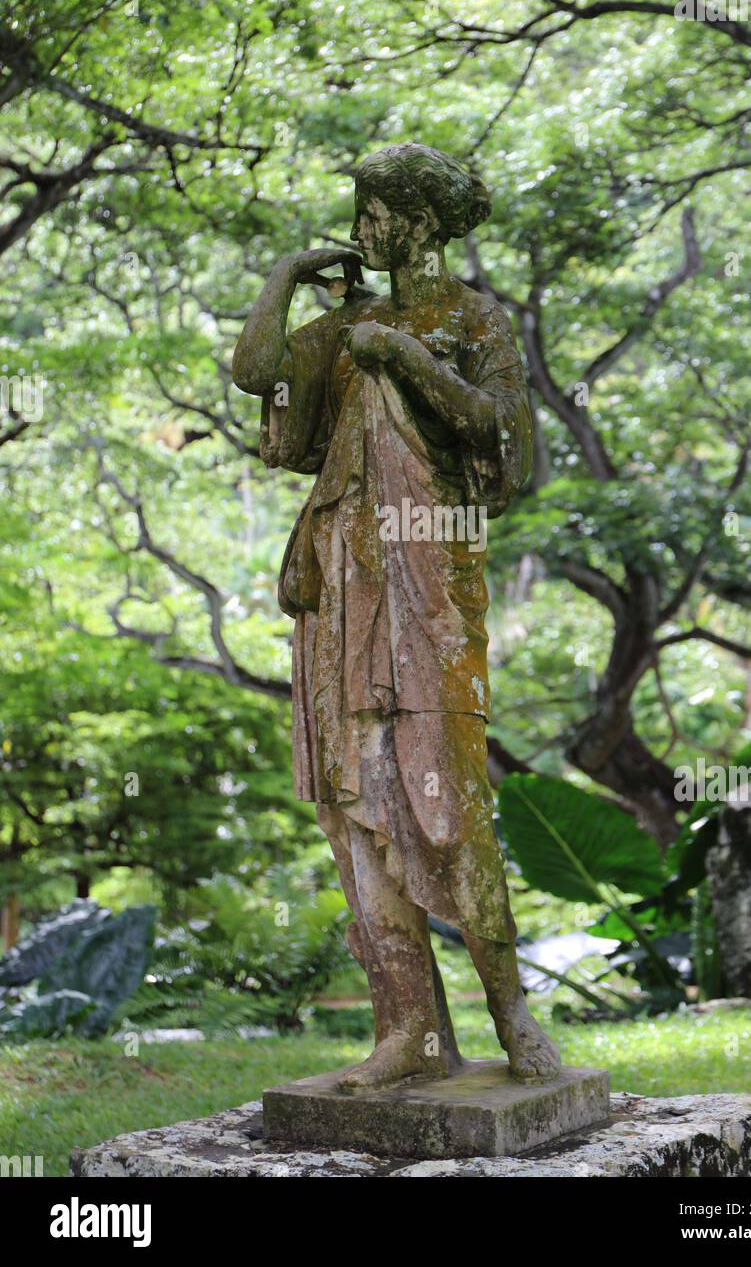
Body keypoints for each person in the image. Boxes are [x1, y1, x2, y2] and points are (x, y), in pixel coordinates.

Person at [233, 143, 561, 1088]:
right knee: (356, 808)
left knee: (447, 806)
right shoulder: (347, 323)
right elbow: (259, 374)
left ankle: (514, 1018)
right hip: (342, 581)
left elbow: (505, 439)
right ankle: (410, 1031)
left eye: (373, 211)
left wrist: (408, 357)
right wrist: (287, 278)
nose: (362, 227)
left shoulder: (469, 319)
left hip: (430, 584)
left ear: (415, 220)